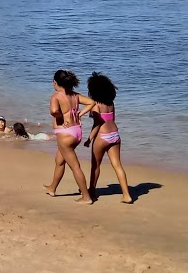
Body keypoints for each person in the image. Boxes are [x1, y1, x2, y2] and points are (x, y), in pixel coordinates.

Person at [44, 69, 94, 204]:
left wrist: (60, 117)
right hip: (76, 132)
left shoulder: (56, 96)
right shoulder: (75, 95)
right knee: (59, 161)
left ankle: (86, 197)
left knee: (75, 166)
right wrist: (79, 114)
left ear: (55, 82)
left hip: (65, 135)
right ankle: (52, 188)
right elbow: (91, 102)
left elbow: (54, 111)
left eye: (53, 82)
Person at [85, 72, 134, 204]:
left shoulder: (95, 105)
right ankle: (126, 195)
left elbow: (97, 124)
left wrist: (89, 139)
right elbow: (112, 119)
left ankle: (92, 192)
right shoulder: (111, 103)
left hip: (102, 136)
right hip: (115, 135)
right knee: (117, 165)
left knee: (95, 166)